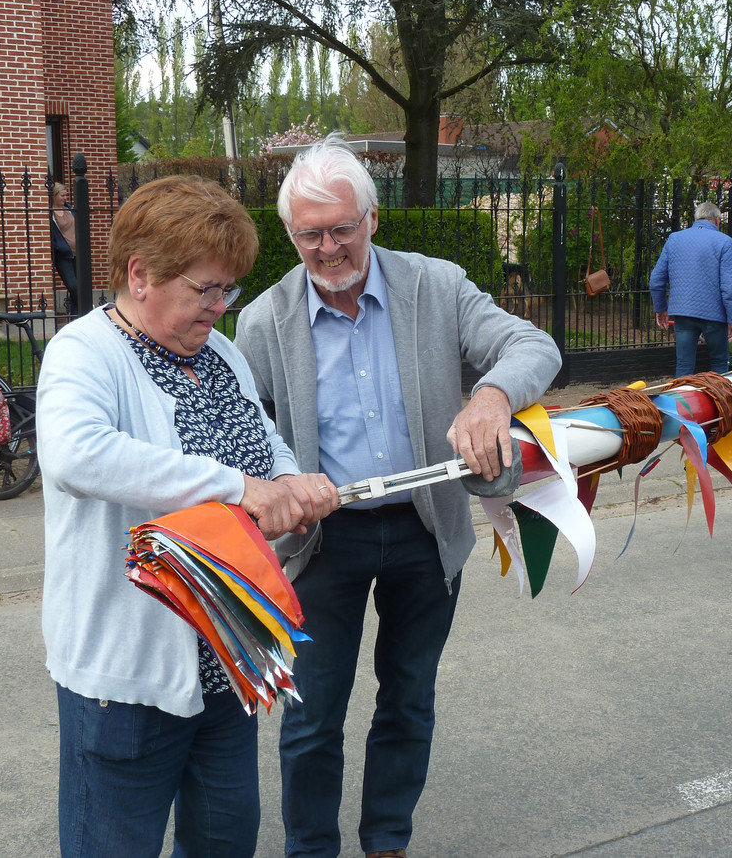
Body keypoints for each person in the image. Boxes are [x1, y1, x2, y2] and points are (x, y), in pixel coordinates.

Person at [234, 134, 561, 858]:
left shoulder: (434, 286)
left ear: (373, 219)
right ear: (290, 234)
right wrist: (270, 485)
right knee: (312, 715)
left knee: (408, 698)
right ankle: (312, 849)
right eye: (308, 234)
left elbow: (533, 345)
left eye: (341, 229)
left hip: (425, 530)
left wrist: (492, 397)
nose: (326, 249)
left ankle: (387, 842)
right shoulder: (262, 321)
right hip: (320, 543)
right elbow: (241, 431)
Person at [36, 175, 340, 857]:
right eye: (206, 289)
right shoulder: (85, 353)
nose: (220, 308)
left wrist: (287, 482)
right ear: (141, 275)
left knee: (225, 842)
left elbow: (266, 442)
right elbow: (76, 456)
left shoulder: (222, 355)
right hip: (127, 680)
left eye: (228, 289)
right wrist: (238, 488)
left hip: (227, 664)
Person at [650, 201, 732, 376]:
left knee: (684, 365)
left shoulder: (675, 239)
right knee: (719, 364)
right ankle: (720, 402)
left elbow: (656, 279)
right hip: (715, 315)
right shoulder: (725, 242)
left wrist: (661, 308)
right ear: (718, 220)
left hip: (683, 313)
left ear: (697, 218)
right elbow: (729, 288)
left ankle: (681, 402)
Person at [50, 182, 78, 315]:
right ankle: (83, 312)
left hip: (77, 254)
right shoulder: (51, 213)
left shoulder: (70, 209)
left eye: (66, 195)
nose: (65, 198)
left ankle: (76, 316)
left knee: (80, 287)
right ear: (54, 196)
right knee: (73, 286)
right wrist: (57, 246)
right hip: (63, 255)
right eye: (62, 195)